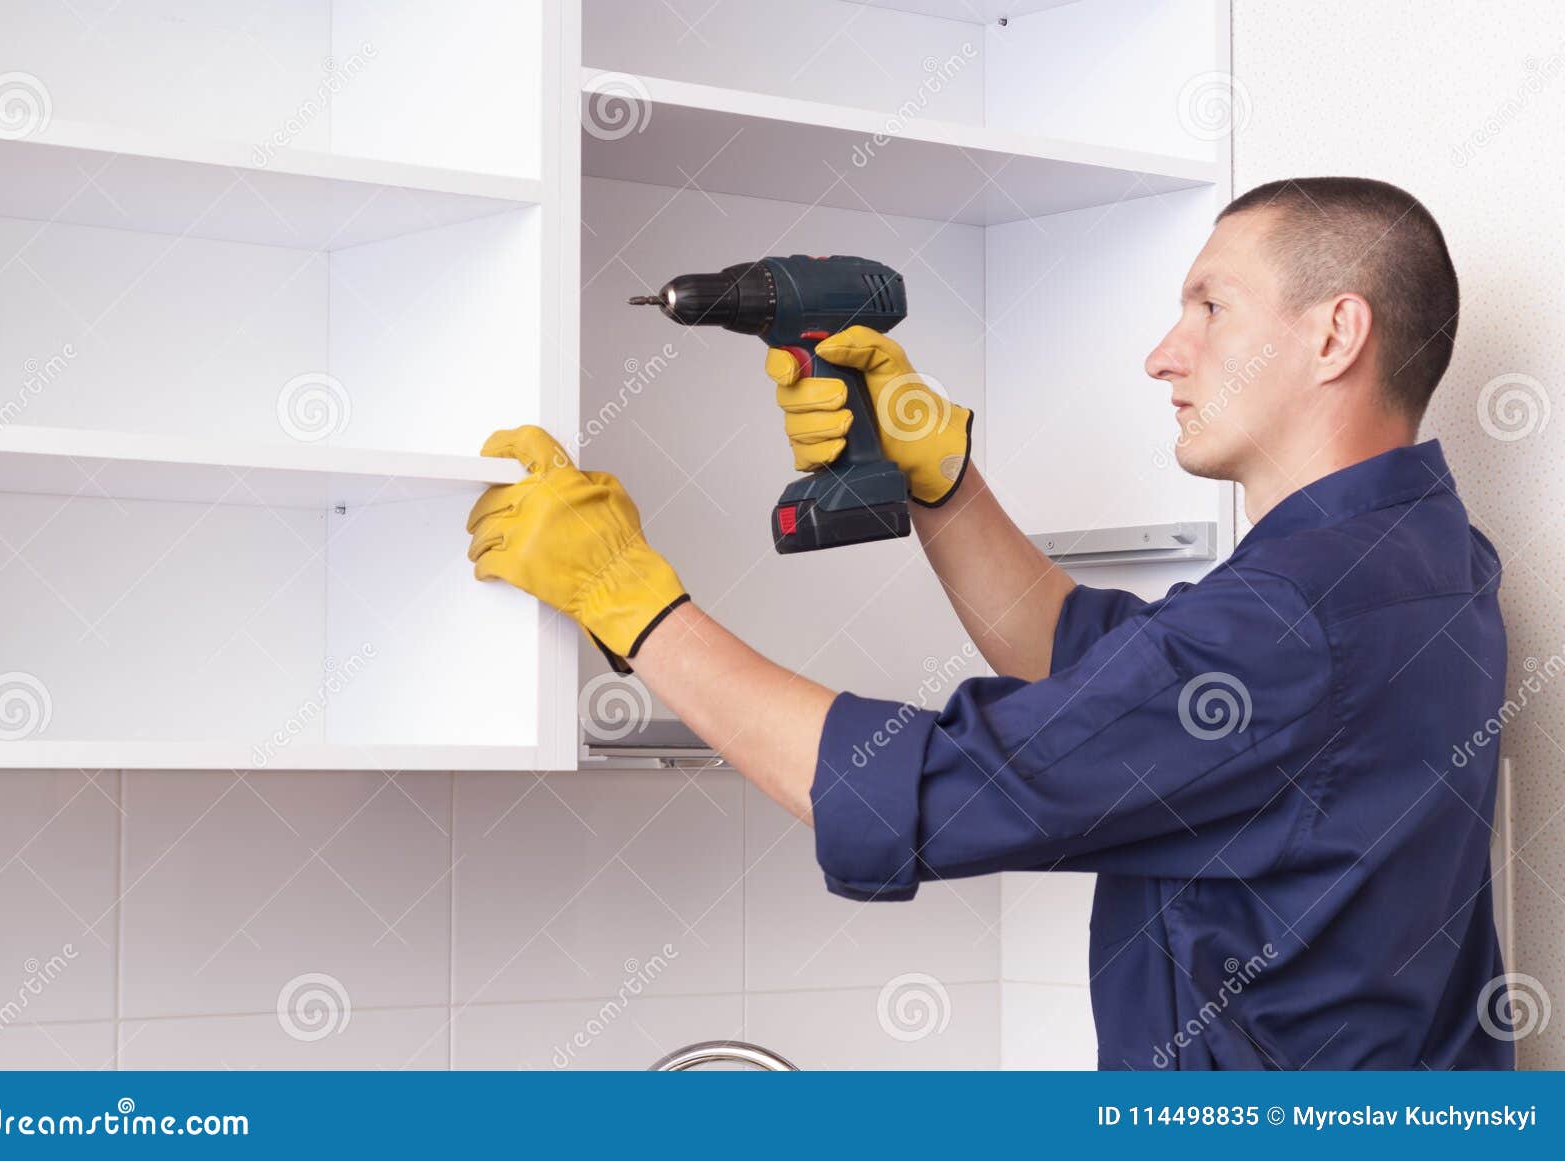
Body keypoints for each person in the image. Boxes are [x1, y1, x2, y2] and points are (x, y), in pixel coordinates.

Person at [463, 177, 1511, 1070]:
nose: (1163, 354)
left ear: (1334, 334)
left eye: (1210, 307)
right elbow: (1118, 685)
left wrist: (626, 597)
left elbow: (922, 792)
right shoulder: (1426, 557)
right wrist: (942, 483)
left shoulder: (1290, 619)